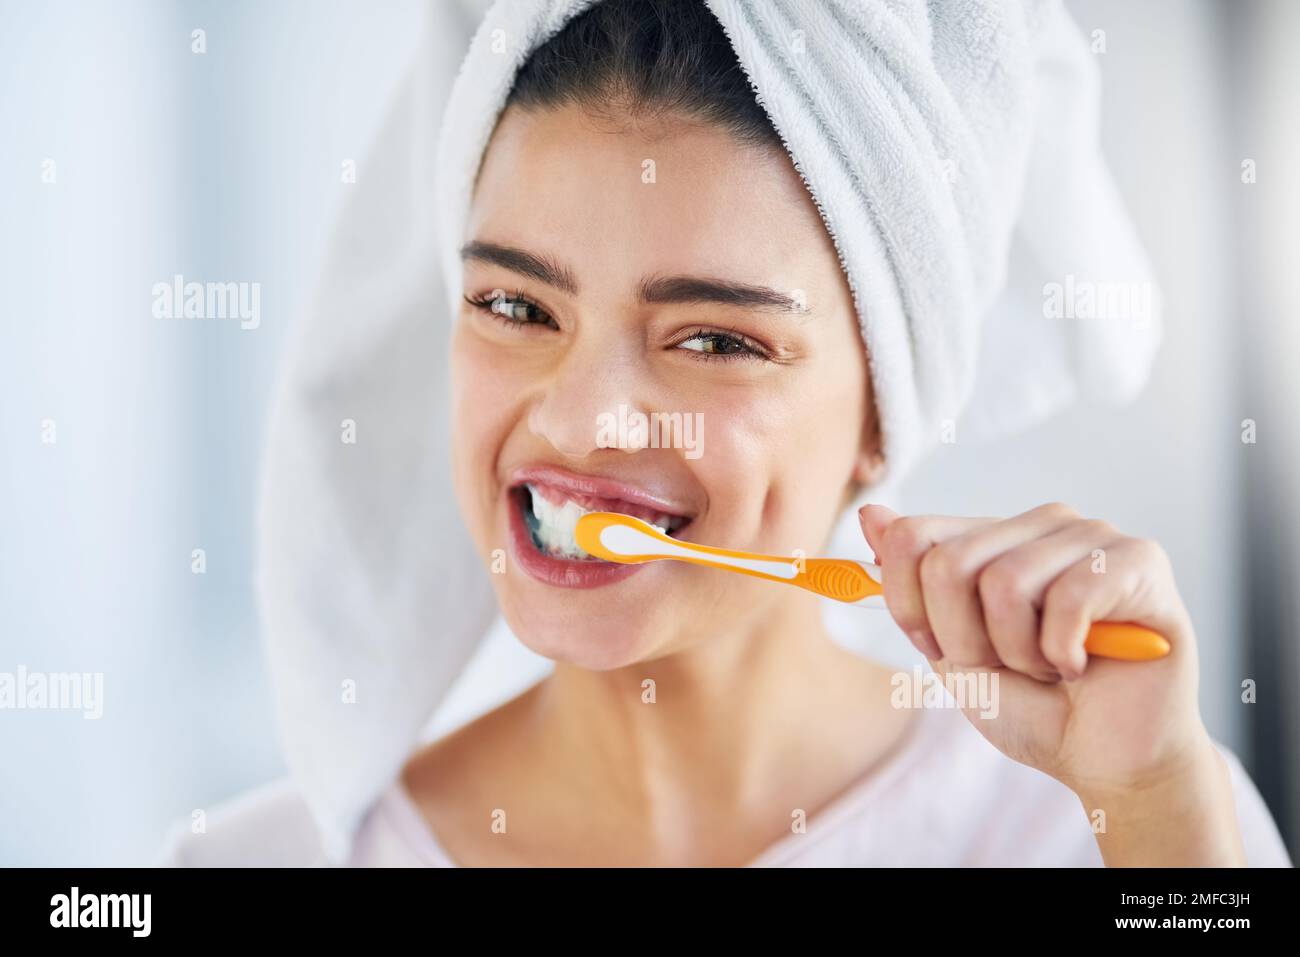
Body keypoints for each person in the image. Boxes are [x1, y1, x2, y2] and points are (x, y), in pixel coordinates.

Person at [159, 0, 1292, 867]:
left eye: (711, 339)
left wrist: (1154, 812)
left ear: (882, 413)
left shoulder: (1122, 828)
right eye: (515, 306)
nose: (579, 422)